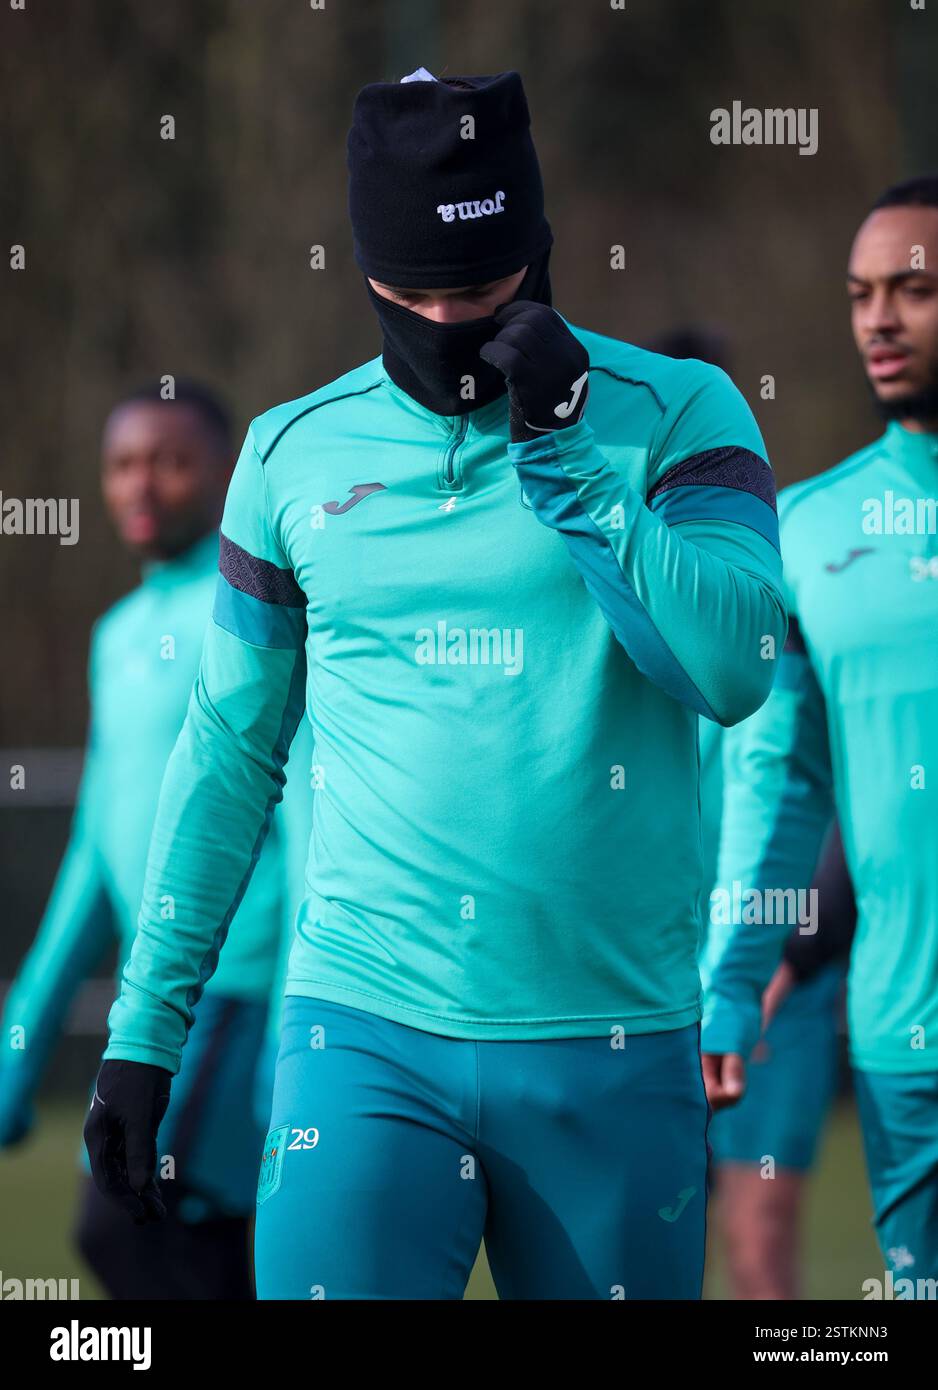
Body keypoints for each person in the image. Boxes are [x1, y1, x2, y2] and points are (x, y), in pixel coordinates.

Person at [86, 69, 786, 1301]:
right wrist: (145, 1031)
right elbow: (227, 754)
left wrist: (569, 456)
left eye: (478, 288)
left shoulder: (677, 414)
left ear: (539, 248)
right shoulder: (291, 454)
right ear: (364, 275)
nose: (448, 321)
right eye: (412, 293)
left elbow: (728, 671)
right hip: (360, 1032)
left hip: (610, 1043)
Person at [0, 382, 288, 1299]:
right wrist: (20, 1049)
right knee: (186, 1242)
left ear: (222, 471)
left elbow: (301, 816)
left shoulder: (250, 610)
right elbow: (94, 848)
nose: (142, 484)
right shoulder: (112, 635)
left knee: (128, 1225)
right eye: (124, 462)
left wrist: (295, 1018)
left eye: (172, 460)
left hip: (234, 993)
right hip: (156, 1001)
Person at [702, 177, 938, 1284]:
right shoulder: (807, 525)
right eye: (859, 294)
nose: (878, 320)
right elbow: (781, 784)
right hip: (903, 1039)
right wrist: (734, 977)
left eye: (913, 289)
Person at [653, 327, 848, 1299]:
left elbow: (799, 798)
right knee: (641, 1256)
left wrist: (768, 960)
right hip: (637, 993)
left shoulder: (785, 583)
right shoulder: (611, 591)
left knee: (758, 1254)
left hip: (773, 984)